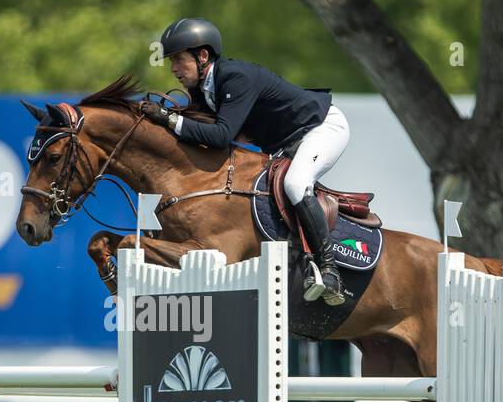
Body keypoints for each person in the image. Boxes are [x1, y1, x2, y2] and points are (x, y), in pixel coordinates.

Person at [142, 18, 351, 306]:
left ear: (202, 56)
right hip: (284, 144)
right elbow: (198, 133)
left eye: (178, 59)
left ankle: (329, 269)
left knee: (295, 183)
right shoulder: (202, 89)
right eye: (171, 62)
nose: (173, 69)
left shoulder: (235, 77)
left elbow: (221, 136)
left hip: (321, 127)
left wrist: (168, 118)